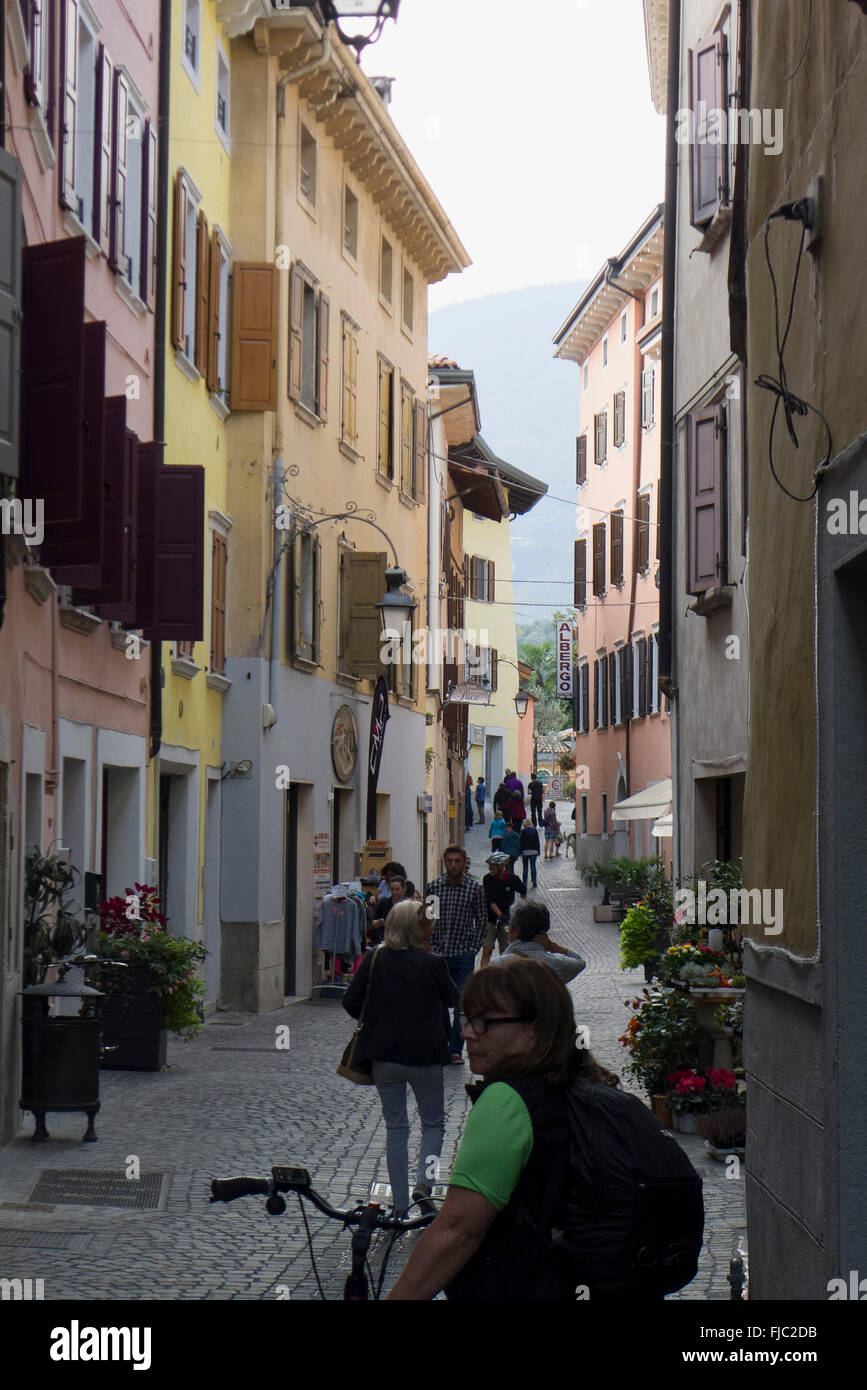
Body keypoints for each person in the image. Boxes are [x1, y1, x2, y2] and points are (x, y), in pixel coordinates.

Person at [386, 957, 617, 1300]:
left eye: (484, 1022)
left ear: (533, 1029)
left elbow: (458, 1229)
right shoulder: (590, 1089)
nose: (466, 1032)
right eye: (467, 1019)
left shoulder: (506, 1099)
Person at [343, 901, 458, 1217]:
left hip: (384, 1056)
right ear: (416, 928)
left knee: (397, 1128)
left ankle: (400, 1205)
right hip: (426, 1056)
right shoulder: (432, 963)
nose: (430, 927)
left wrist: (377, 1019)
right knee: (433, 1123)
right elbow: (453, 999)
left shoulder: (375, 958)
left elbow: (351, 1001)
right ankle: (425, 1184)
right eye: (425, 923)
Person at [425, 846, 487, 1065]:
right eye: (449, 861)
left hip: (463, 954)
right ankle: (443, 1044)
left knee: (462, 1003)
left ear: (464, 862)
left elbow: (481, 922)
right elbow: (428, 922)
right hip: (438, 954)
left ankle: (455, 1050)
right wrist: (431, 947)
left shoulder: (474, 889)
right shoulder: (434, 887)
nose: (453, 864)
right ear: (444, 862)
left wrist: (473, 948)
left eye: (457, 861)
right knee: (439, 1003)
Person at [494, 899, 586, 983]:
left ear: (514, 930)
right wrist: (554, 947)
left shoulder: (497, 966)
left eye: (509, 927)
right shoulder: (556, 963)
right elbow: (580, 962)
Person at [480, 853, 525, 969]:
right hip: (491, 920)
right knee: (486, 951)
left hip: (507, 922)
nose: (490, 868)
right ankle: (482, 977)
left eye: (493, 866)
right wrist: (500, 915)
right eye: (490, 866)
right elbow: (489, 900)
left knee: (506, 953)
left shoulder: (512, 879)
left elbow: (523, 890)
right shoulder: (487, 879)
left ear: (501, 866)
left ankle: (505, 979)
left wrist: (519, 908)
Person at [519, 819, 541, 888]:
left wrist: (520, 851)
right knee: (533, 866)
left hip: (525, 851)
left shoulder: (523, 831)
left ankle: (524, 881)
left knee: (525, 867)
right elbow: (537, 841)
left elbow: (521, 842)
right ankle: (534, 881)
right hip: (534, 851)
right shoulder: (534, 831)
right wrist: (538, 851)